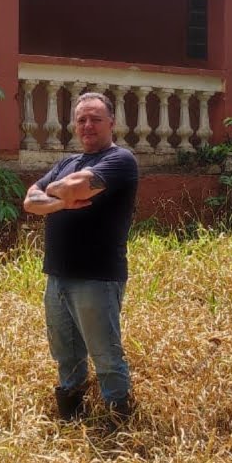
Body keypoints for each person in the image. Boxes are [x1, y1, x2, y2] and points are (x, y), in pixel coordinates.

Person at [22, 92, 139, 427]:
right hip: (57, 276)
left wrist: (58, 191)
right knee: (66, 356)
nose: (87, 125)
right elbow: (30, 200)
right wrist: (62, 201)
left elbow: (76, 187)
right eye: (82, 120)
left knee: (106, 356)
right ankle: (72, 419)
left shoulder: (121, 160)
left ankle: (119, 426)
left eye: (95, 119)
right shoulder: (67, 161)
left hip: (97, 277)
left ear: (111, 123)